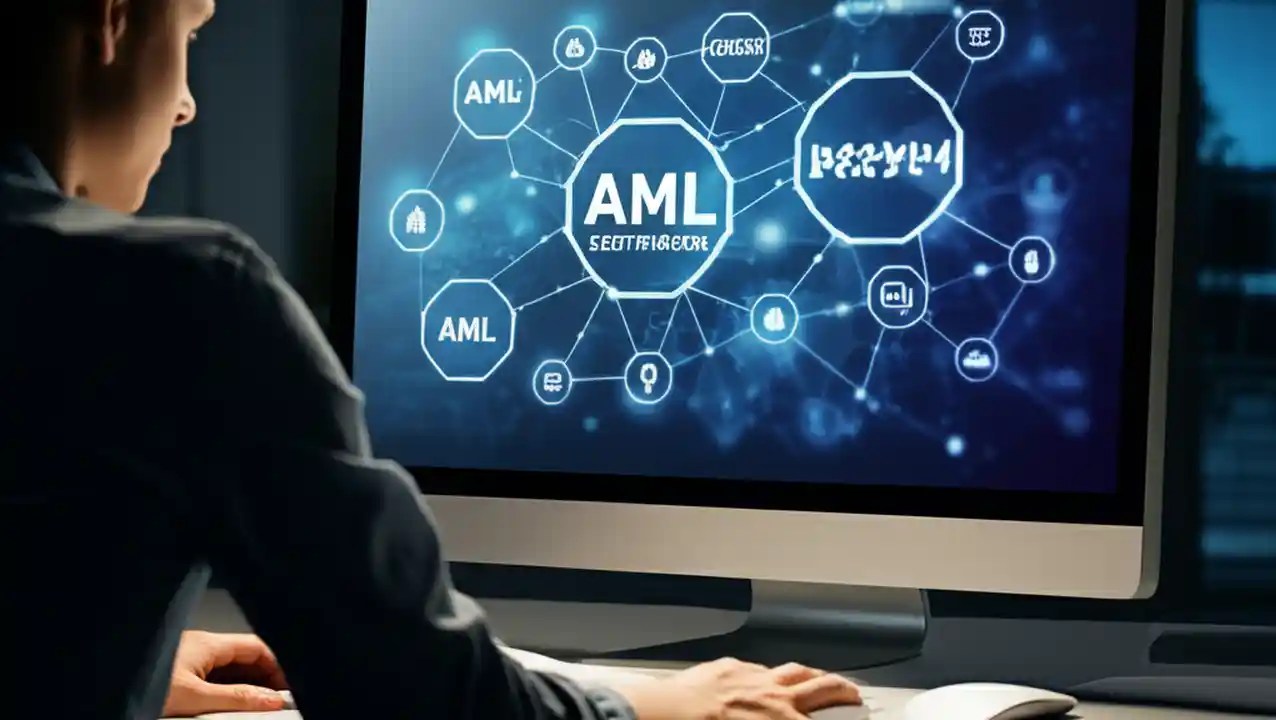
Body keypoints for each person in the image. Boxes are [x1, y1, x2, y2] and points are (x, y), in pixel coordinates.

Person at [0, 1, 864, 718]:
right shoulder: (181, 296)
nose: (187, 102)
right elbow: (426, 700)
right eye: (190, 32)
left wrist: (108, 657)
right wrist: (651, 708)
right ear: (112, 19)